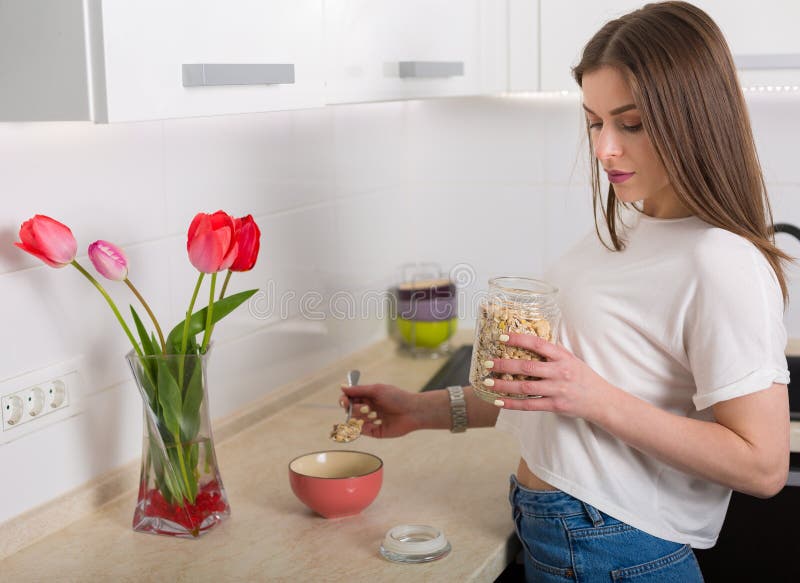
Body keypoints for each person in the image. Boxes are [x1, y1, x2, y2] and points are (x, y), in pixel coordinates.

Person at [341, 2, 792, 581]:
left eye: (631, 123)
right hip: (561, 532)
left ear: (694, 119)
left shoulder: (720, 259)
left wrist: (593, 396)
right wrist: (425, 409)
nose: (604, 148)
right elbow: (557, 392)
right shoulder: (631, 222)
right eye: (594, 121)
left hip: (619, 551)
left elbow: (763, 465)